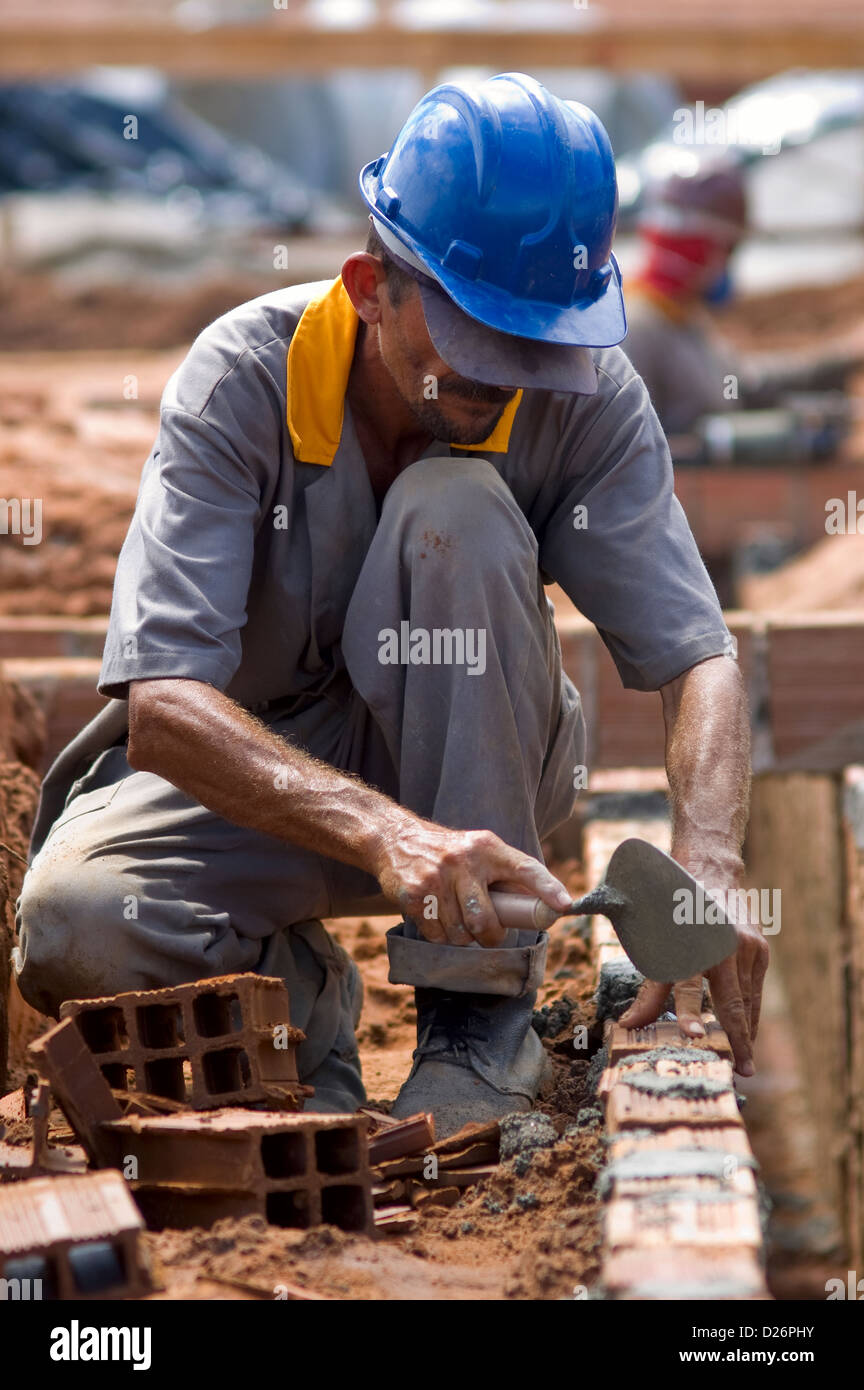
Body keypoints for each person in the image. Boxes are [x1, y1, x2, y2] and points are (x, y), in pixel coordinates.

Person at [15, 73, 766, 1137]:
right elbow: (164, 704)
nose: (511, 373)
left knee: (452, 501)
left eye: (540, 333)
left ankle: (476, 1021)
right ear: (372, 285)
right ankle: (305, 1019)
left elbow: (703, 657)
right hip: (262, 776)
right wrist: (384, 834)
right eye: (478, 334)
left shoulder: (585, 389)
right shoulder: (240, 381)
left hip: (486, 766)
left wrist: (711, 863)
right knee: (75, 923)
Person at [623, 155, 864, 438]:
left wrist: (844, 358)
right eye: (727, 249)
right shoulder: (637, 331)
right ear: (698, 248)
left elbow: (748, 383)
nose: (727, 264)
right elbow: (640, 448)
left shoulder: (685, 322)